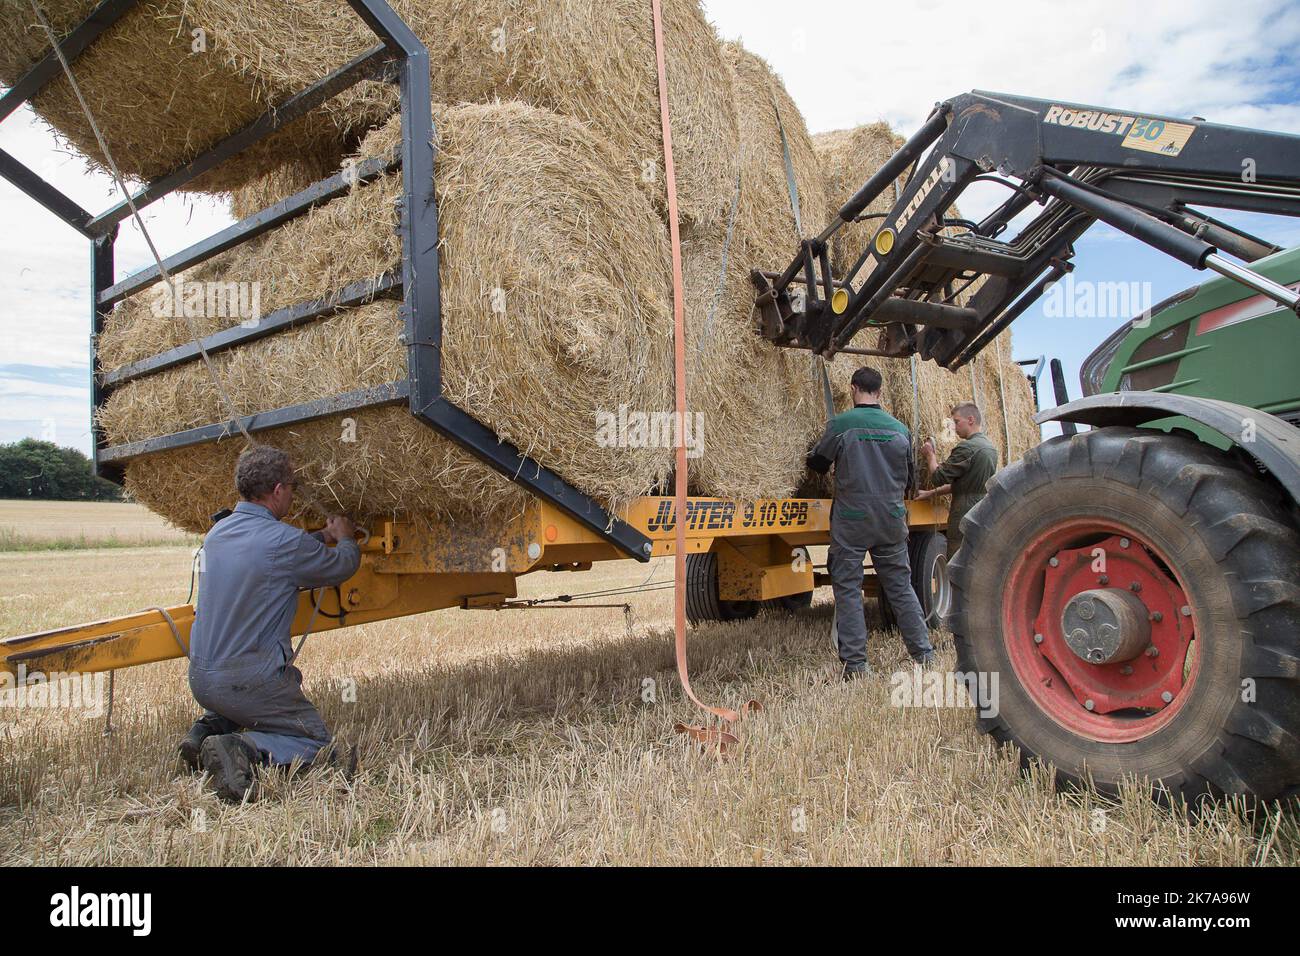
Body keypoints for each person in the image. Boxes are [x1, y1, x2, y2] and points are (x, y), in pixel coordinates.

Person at [177, 445, 361, 802]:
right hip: (249, 684)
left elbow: (270, 552)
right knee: (314, 742)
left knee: (239, 703)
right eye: (291, 487)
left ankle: (204, 731)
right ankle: (239, 747)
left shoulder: (217, 534)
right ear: (278, 491)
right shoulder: (282, 542)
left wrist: (320, 537)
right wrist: (346, 538)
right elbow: (341, 567)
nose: (292, 493)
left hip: (202, 680)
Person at [807, 367, 935, 679]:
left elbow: (819, 463)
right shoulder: (900, 429)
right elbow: (909, 478)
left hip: (852, 520)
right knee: (901, 588)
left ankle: (857, 666)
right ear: (879, 391)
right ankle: (923, 653)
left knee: (849, 590)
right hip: (891, 519)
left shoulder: (842, 424)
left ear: (853, 389)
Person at [918, 402, 999, 561]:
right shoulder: (990, 447)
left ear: (970, 420)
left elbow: (938, 477)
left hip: (964, 511)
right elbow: (964, 483)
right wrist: (930, 493)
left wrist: (930, 455)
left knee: (957, 557)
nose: (954, 427)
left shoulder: (967, 448)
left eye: (956, 422)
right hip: (982, 507)